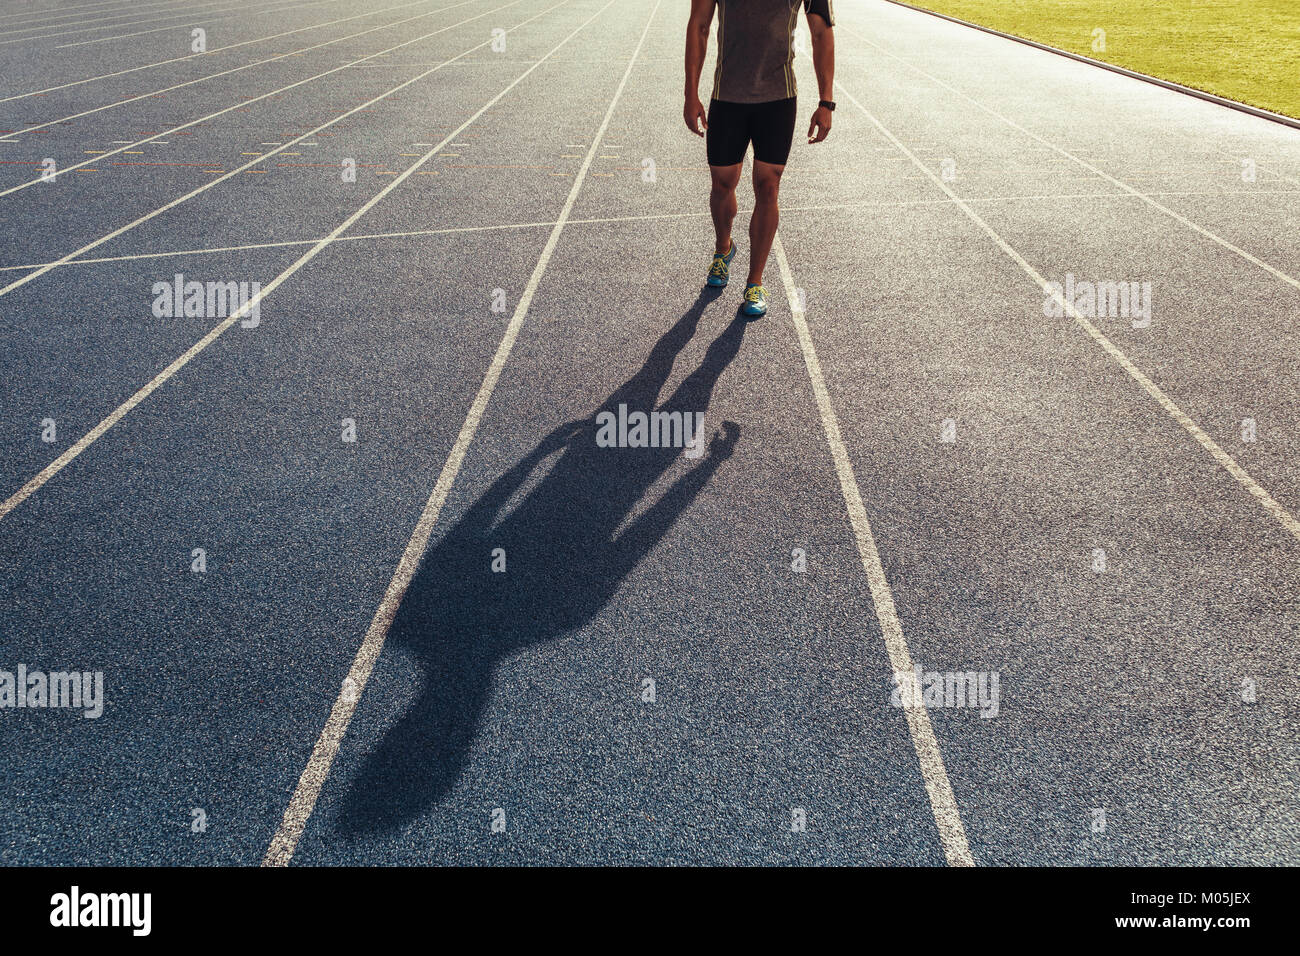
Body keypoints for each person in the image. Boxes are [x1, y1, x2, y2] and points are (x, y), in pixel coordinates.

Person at [683, 0, 836, 316]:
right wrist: (691, 94)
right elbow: (699, 24)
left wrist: (826, 102)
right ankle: (724, 248)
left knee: (768, 187)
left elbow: (821, 33)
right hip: (727, 97)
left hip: (778, 99)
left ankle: (755, 282)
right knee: (723, 183)